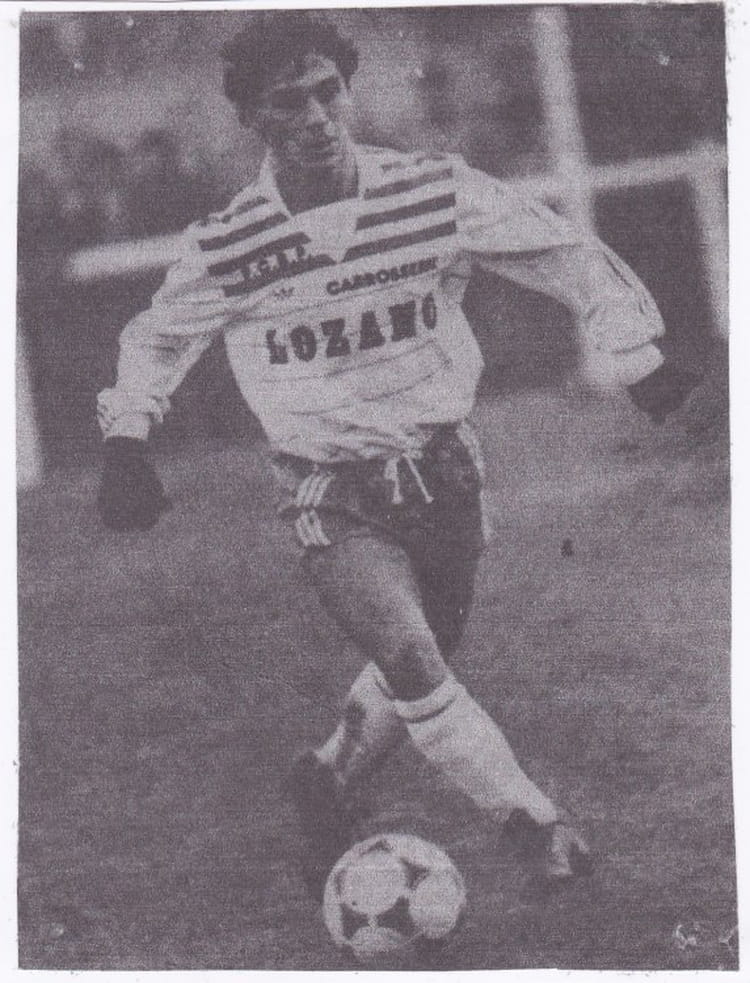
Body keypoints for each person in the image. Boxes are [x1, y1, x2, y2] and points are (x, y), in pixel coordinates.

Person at [96, 13, 699, 899]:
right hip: (328, 488)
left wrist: (637, 354)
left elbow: (560, 250)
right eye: (285, 102)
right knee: (415, 657)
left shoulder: (431, 192)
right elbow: (155, 340)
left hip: (447, 472)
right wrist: (127, 436)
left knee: (425, 655)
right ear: (252, 120)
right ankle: (533, 822)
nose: (314, 117)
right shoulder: (228, 242)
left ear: (348, 89)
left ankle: (331, 773)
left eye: (326, 91)